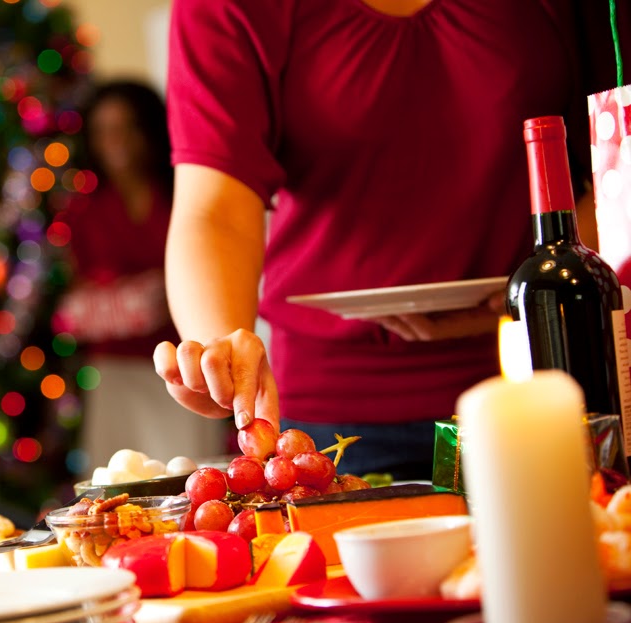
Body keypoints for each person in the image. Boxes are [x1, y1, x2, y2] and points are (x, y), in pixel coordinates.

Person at [152, 0, 622, 479]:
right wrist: (221, 351)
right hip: (333, 414)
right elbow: (214, 209)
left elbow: (615, 160)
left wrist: (531, 295)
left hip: (553, 377)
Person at [57, 80, 227, 470]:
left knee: (191, 473)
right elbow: (78, 286)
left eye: (126, 127)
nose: (114, 141)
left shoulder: (182, 196)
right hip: (114, 372)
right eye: (103, 130)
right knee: (121, 476)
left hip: (183, 367)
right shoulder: (84, 211)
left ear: (148, 130)